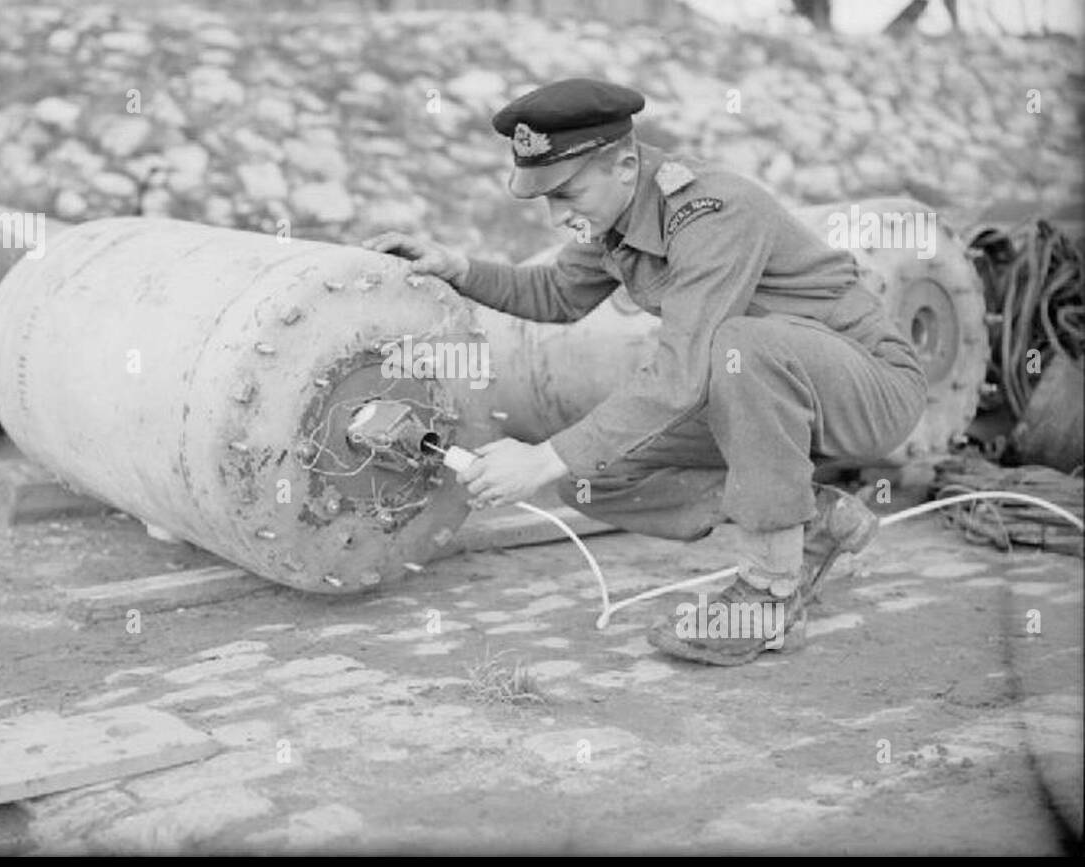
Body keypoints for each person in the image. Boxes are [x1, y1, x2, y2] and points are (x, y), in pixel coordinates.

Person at [362, 77, 927, 665]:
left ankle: (770, 595)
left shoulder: (712, 212)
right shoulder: (613, 216)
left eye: (568, 194)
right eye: (546, 200)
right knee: (590, 476)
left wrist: (540, 454)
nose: (559, 217)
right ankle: (813, 520)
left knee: (738, 347)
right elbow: (558, 293)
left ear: (625, 164)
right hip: (763, 403)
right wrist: (457, 267)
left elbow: (680, 373)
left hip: (868, 387)